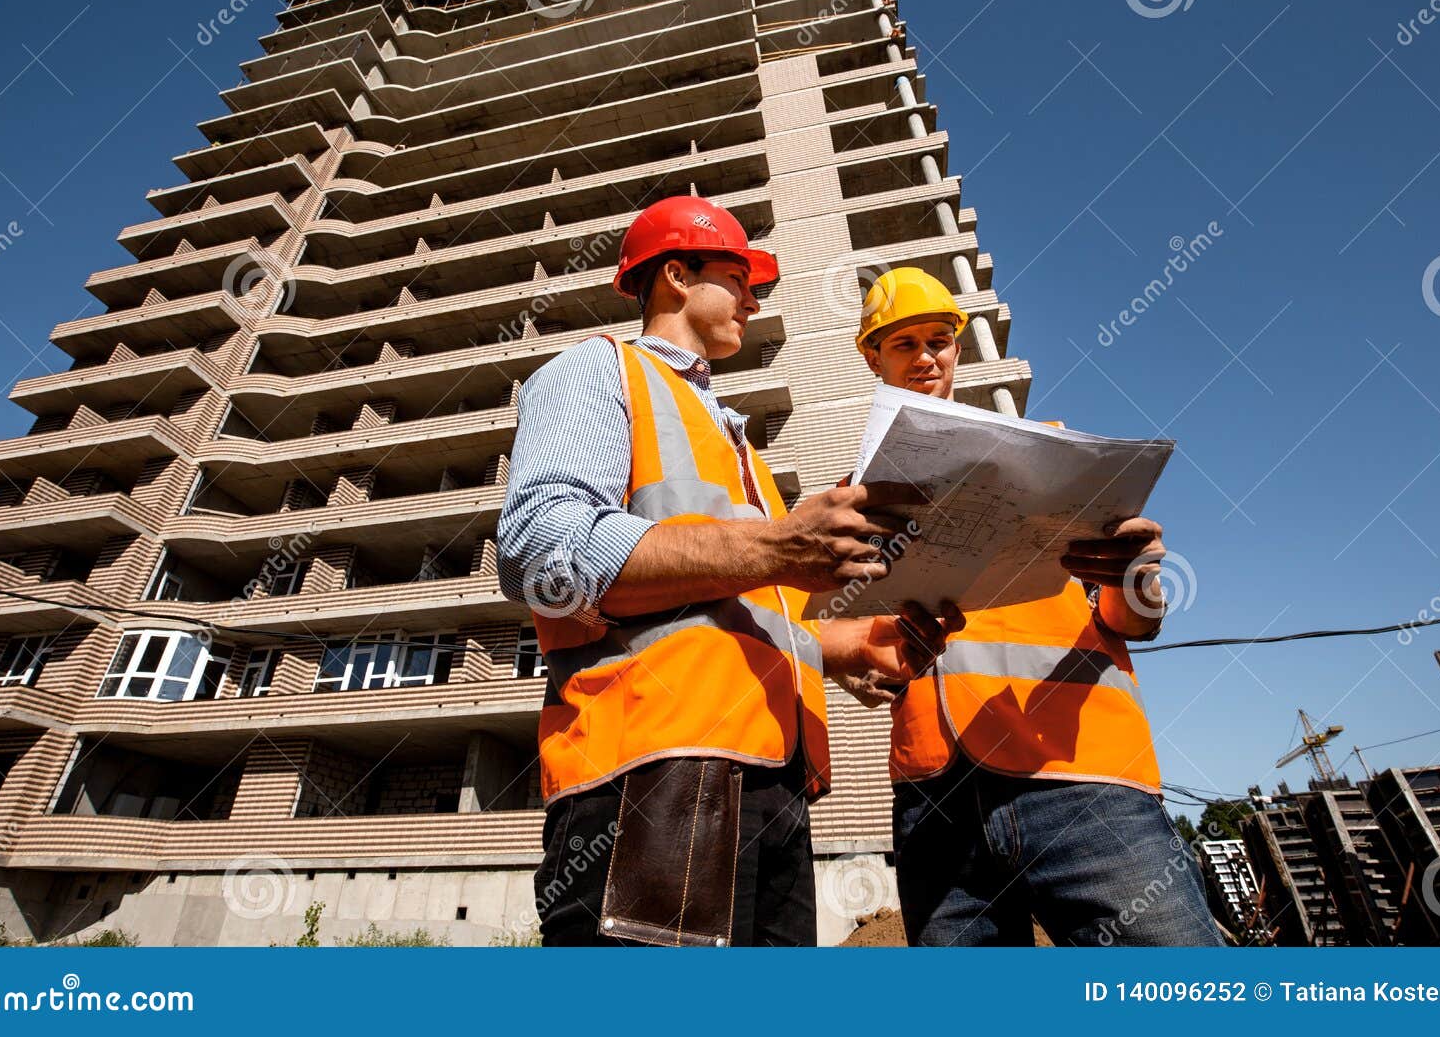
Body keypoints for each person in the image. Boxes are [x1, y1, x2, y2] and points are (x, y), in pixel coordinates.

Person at [497, 198, 960, 947]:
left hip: (775, 789)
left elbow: (730, 622)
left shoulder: (737, 446)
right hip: (653, 780)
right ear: (676, 276)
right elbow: (541, 551)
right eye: (739, 278)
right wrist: (777, 549)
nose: (753, 298)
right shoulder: (597, 370)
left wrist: (845, 648)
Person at [842, 266, 1223, 947]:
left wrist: (1138, 577)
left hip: (1079, 775)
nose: (927, 356)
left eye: (939, 339)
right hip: (936, 798)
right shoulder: (854, 496)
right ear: (872, 356)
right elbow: (867, 653)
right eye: (904, 344)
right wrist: (860, 668)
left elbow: (1127, 618)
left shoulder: (1046, 451)